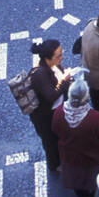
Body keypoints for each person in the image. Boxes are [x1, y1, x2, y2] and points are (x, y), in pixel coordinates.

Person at [53, 79, 99, 197]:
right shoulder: (95, 118)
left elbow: (55, 130)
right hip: (92, 158)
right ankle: (93, 195)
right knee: (92, 180)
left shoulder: (58, 112)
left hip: (70, 157)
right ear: (86, 98)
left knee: (76, 181)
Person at [29, 39, 71, 172]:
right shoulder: (40, 74)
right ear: (48, 58)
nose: (62, 57)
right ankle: (54, 164)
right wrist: (64, 83)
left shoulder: (55, 65)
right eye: (58, 56)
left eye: (61, 53)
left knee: (58, 137)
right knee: (50, 142)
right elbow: (51, 96)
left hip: (56, 111)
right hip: (45, 117)